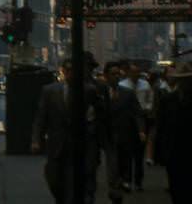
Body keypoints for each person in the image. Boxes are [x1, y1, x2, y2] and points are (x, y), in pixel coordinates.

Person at [31, 56, 110, 204]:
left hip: (80, 143)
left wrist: (96, 134)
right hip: (57, 143)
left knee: (76, 180)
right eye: (67, 70)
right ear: (63, 71)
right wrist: (36, 140)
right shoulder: (50, 91)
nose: (70, 74)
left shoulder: (89, 90)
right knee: (53, 178)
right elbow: (41, 117)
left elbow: (101, 114)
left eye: (73, 71)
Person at [152, 61, 192, 202]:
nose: (186, 83)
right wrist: (159, 153)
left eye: (189, 79)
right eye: (184, 79)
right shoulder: (168, 100)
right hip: (173, 151)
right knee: (175, 188)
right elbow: (161, 126)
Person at [103, 65, 144, 202]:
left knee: (125, 160)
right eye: (113, 74)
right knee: (113, 163)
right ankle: (115, 188)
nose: (116, 76)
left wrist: (141, 130)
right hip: (108, 135)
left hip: (126, 133)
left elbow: (137, 112)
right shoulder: (99, 93)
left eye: (118, 73)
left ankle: (123, 180)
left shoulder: (128, 93)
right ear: (106, 76)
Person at [118, 63, 153, 190]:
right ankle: (127, 179)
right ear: (128, 73)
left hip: (142, 119)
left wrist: (147, 109)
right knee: (127, 153)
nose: (136, 74)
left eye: (137, 72)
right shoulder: (122, 86)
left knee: (139, 154)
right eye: (133, 72)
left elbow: (150, 99)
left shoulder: (145, 85)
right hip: (127, 122)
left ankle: (138, 181)